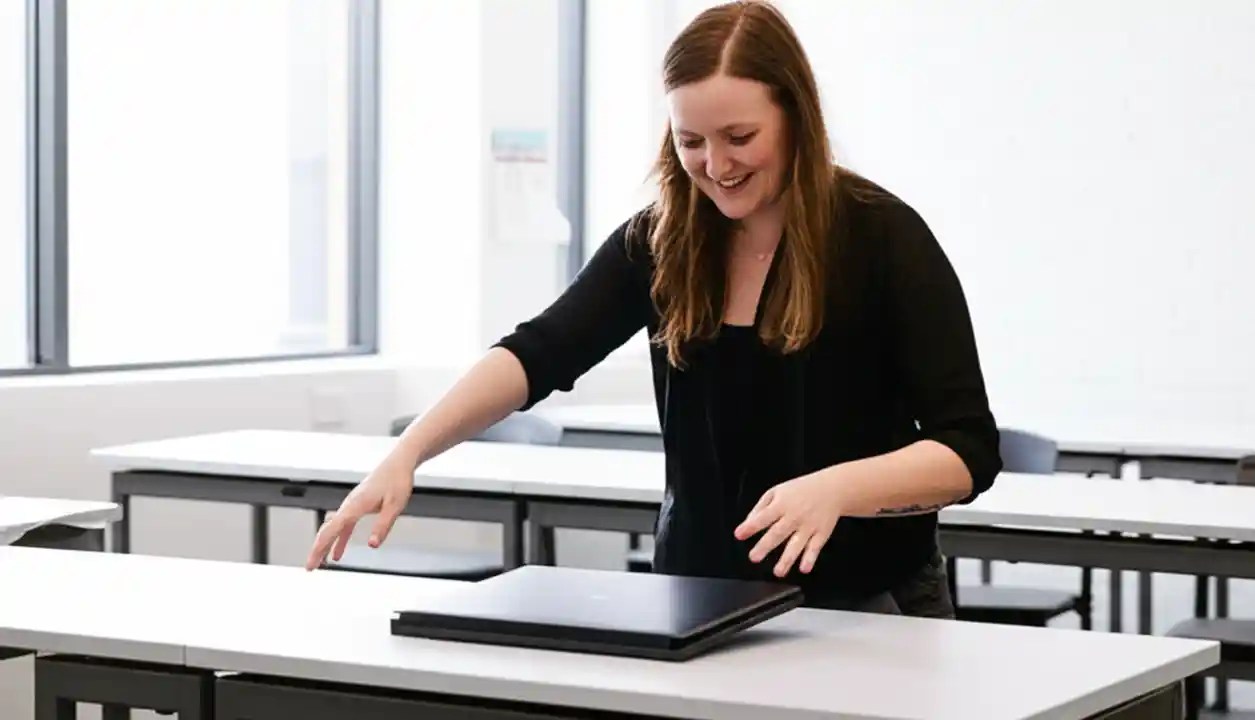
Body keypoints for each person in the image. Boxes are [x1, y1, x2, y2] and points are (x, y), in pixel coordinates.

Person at [306, 0, 1001, 617]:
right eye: (690, 141)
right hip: (701, 602)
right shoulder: (662, 239)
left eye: (739, 137)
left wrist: (839, 490)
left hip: (868, 604)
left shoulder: (884, 236)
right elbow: (539, 351)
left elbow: (967, 450)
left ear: (796, 116)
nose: (715, 165)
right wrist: (408, 453)